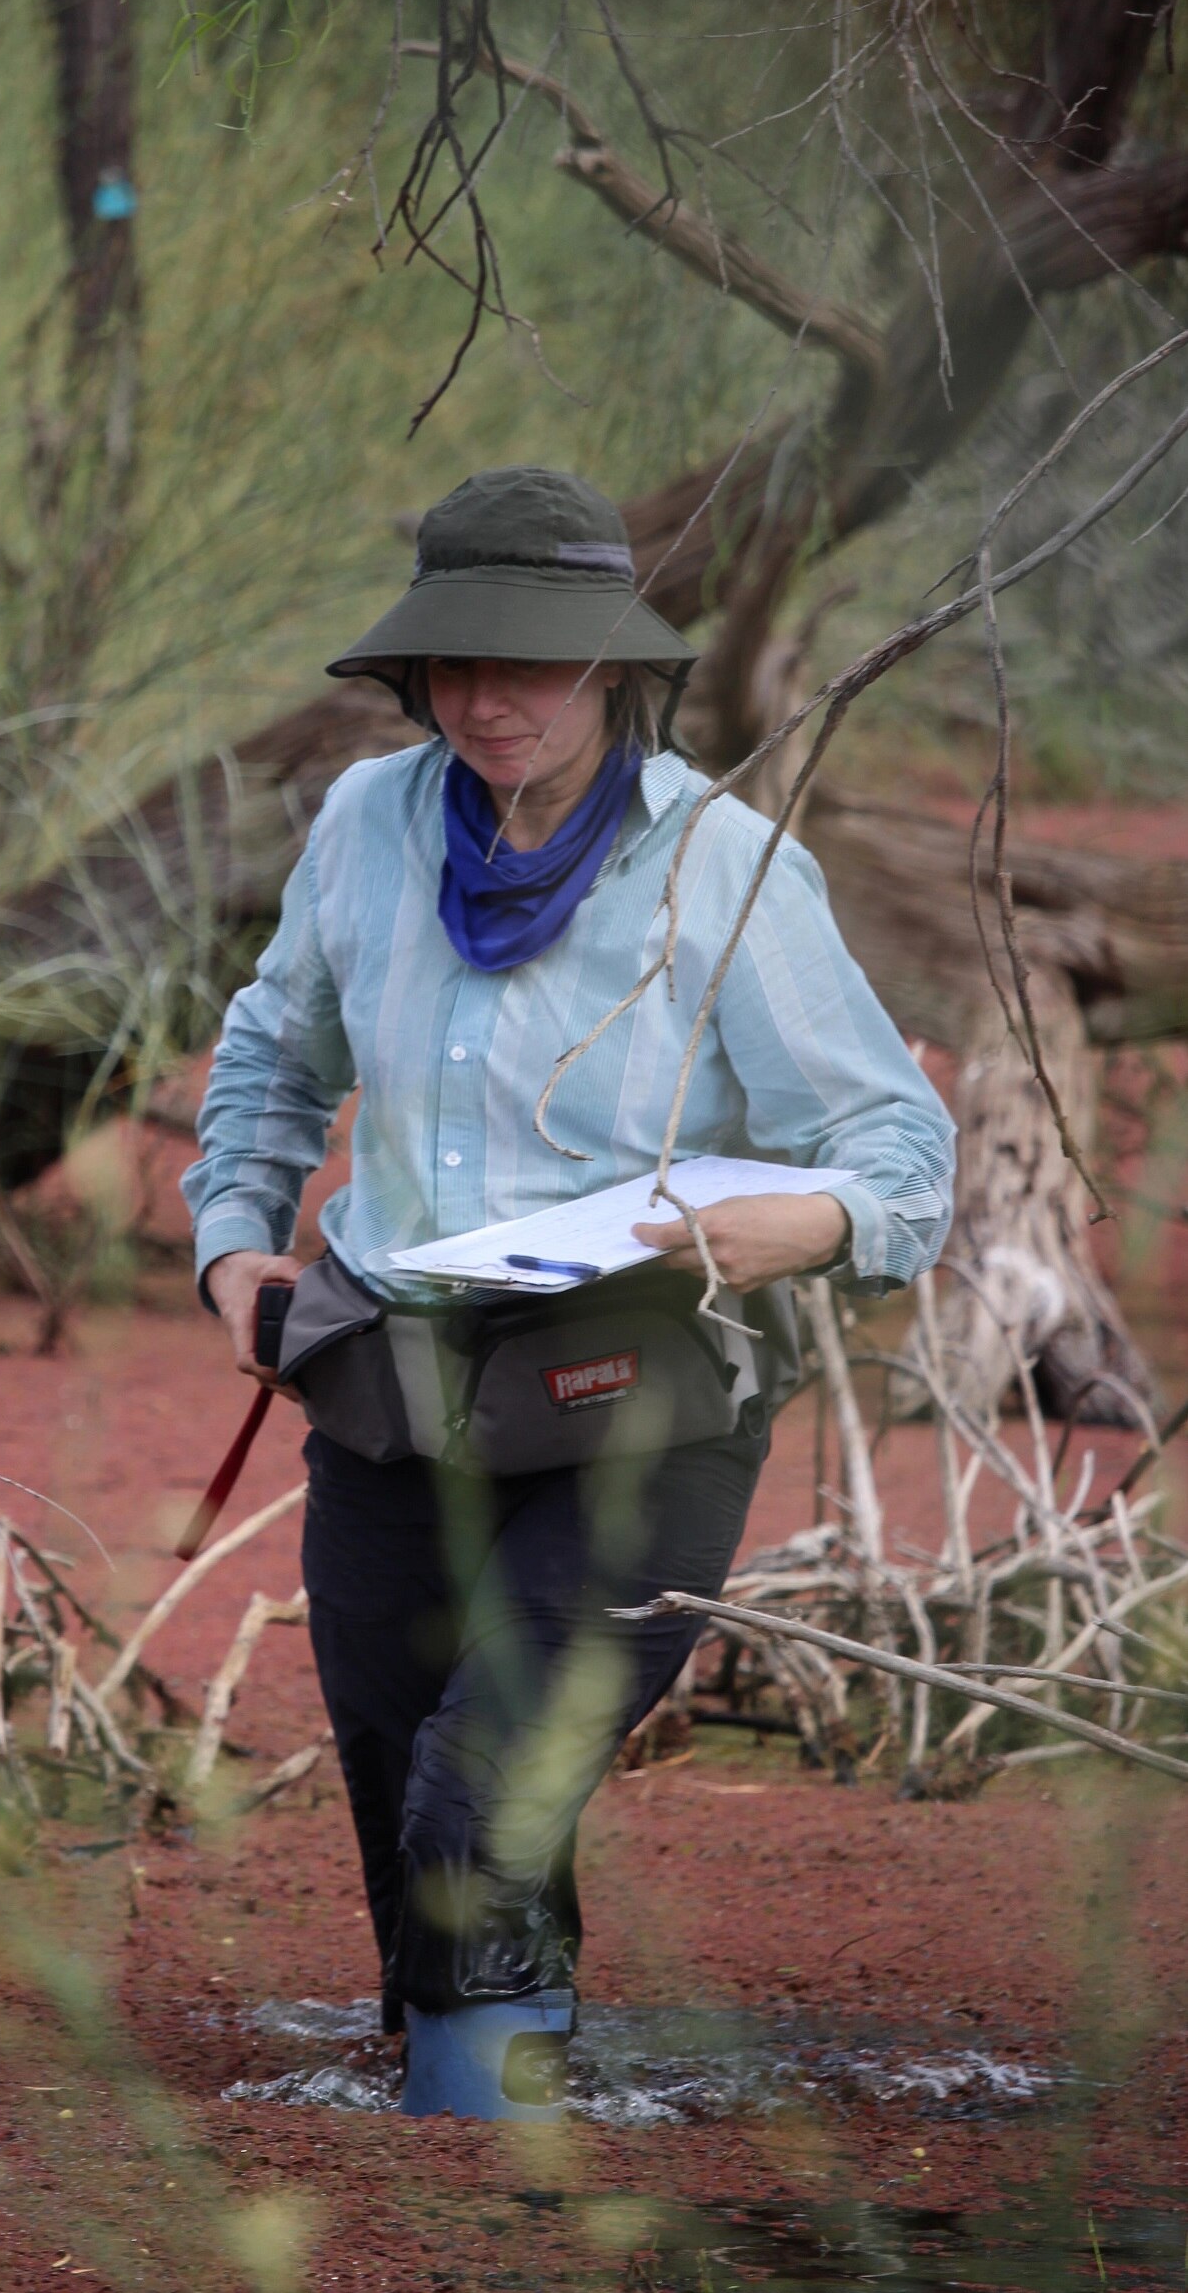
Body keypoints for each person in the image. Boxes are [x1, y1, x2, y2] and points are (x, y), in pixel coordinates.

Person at [183, 467, 955, 2119]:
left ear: (614, 666)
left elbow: (898, 1151)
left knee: (480, 1793)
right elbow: (270, 1058)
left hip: (645, 1407)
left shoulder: (722, 862)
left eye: (532, 662)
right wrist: (234, 1243)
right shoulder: (364, 823)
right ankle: (470, 2121)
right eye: (457, 661)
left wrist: (805, 1223)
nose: (490, 700)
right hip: (388, 1394)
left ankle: (496, 2153)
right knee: (404, 1799)